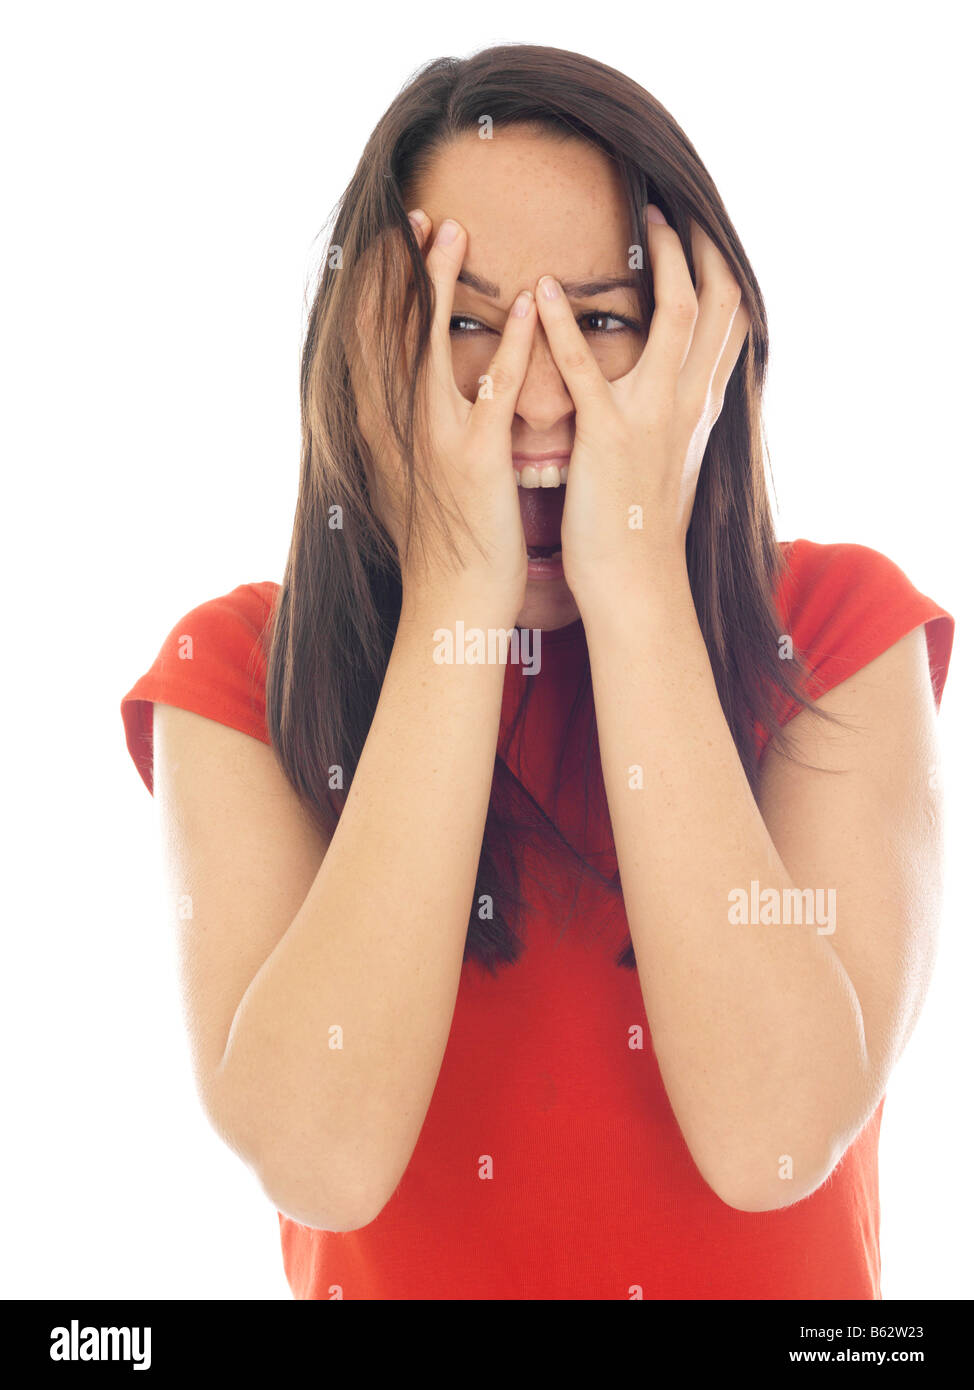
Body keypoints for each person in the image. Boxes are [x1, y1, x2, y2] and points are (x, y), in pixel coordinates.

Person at [120, 44, 954, 1300]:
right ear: (365, 355)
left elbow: (773, 1138)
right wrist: (460, 596)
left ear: (700, 345)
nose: (535, 398)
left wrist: (633, 586)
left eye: (601, 320)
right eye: (467, 323)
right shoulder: (237, 669)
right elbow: (320, 1157)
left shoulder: (837, 632)